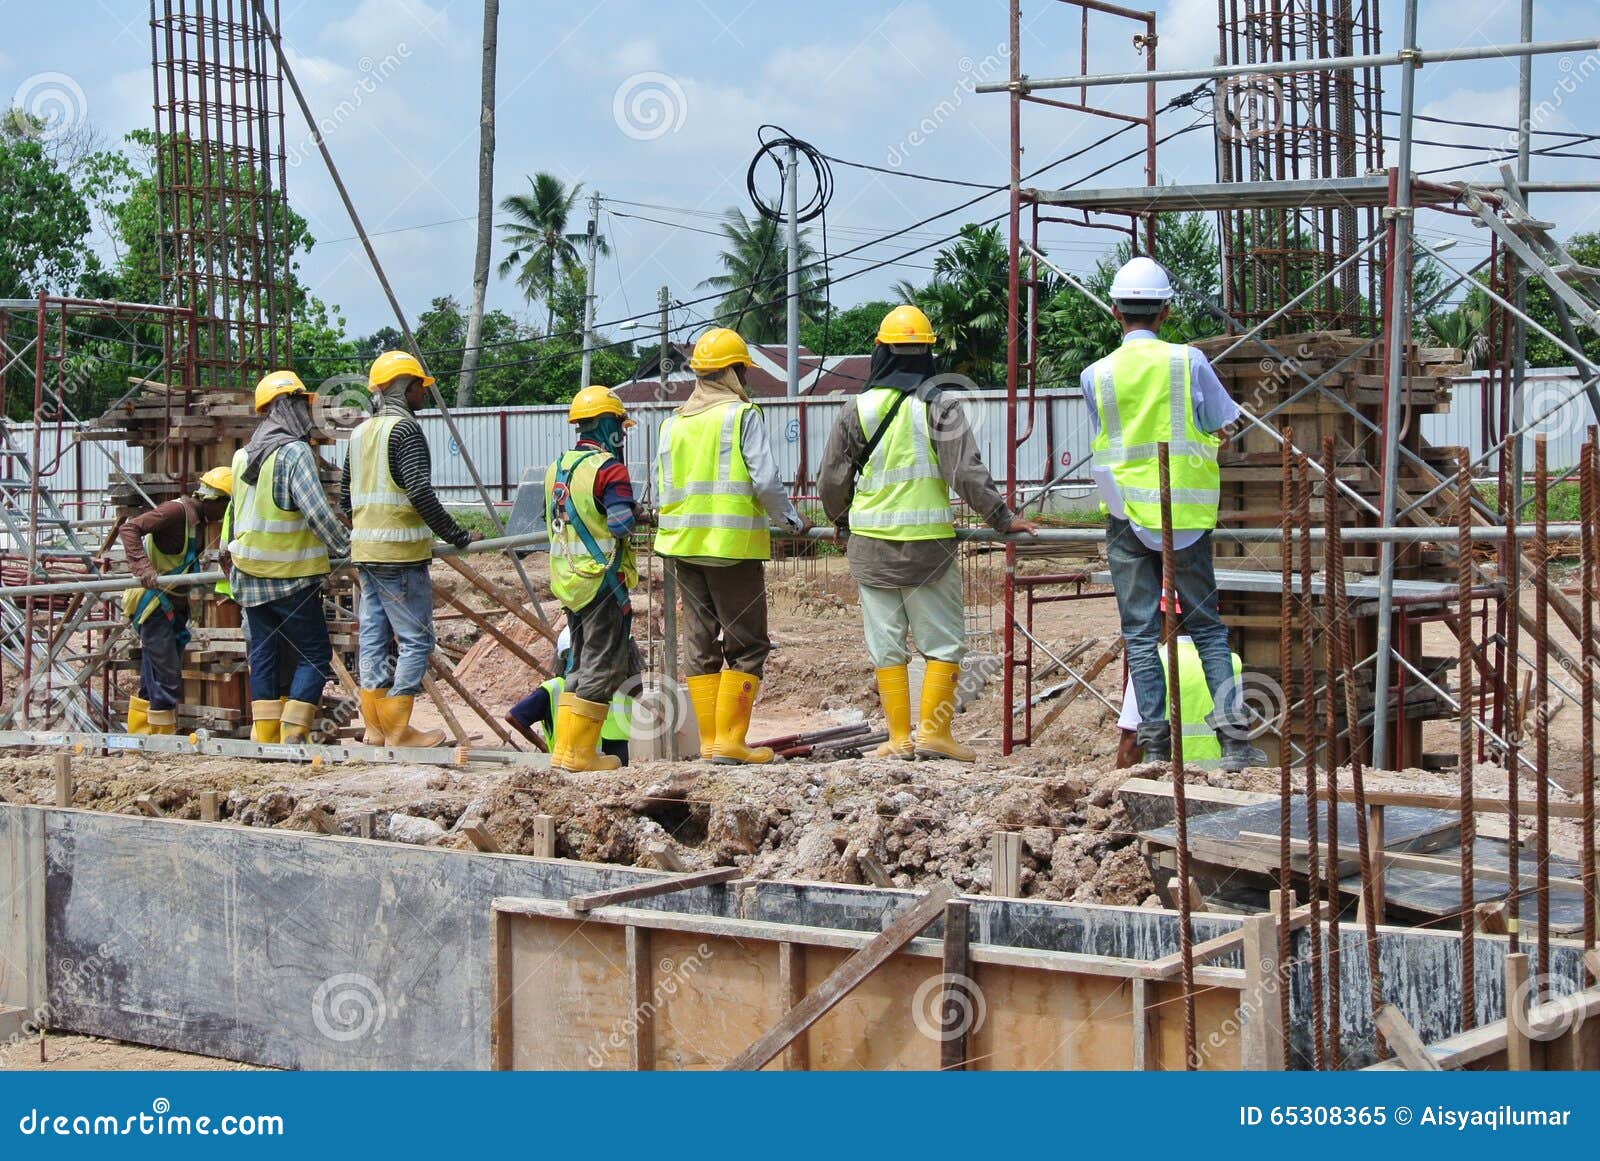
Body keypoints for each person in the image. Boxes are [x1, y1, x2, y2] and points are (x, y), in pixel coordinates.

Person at [819, 305, 1037, 762]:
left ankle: (898, 740)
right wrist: (1003, 519)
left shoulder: (855, 408)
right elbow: (967, 474)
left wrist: (841, 522)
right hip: (930, 551)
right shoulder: (941, 407)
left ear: (879, 351)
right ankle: (934, 734)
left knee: (886, 645)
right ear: (928, 355)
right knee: (942, 643)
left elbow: (832, 481)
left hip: (871, 548)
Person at [1084, 256, 1266, 772]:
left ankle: (1156, 746)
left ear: (1116, 312)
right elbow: (1225, 421)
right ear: (1166, 311)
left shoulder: (1095, 375)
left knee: (1141, 633)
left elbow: (1106, 437)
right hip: (1184, 514)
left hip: (1124, 513)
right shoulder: (1189, 362)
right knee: (1207, 628)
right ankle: (1234, 741)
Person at [654, 327, 809, 765]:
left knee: (700, 646)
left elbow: (663, 486)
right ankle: (730, 742)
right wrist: (792, 521)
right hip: (730, 547)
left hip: (683, 548)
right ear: (733, 372)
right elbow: (764, 480)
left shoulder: (673, 424)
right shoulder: (741, 416)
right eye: (742, 369)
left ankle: (710, 744)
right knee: (748, 644)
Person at [340, 349, 482, 748]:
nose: (423, 393)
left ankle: (376, 728)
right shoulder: (404, 431)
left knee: (373, 636)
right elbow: (419, 491)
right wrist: (458, 535)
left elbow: (344, 498)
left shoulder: (359, 433)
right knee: (417, 639)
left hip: (366, 554)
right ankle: (399, 729)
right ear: (405, 387)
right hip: (399, 555)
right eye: (420, 386)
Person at [227, 370, 351, 745]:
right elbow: (316, 513)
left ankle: (264, 736)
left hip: (248, 573)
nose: (306, 411)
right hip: (290, 576)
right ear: (286, 405)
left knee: (263, 655)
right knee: (314, 655)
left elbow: (235, 515)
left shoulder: (244, 455)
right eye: (301, 403)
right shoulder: (293, 452)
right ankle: (293, 735)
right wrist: (349, 547)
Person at [543, 384, 641, 772]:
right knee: (602, 666)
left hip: (570, 582)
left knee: (580, 664)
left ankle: (566, 751)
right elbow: (618, 523)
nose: (623, 435)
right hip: (602, 582)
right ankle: (581, 754)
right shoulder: (609, 469)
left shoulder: (556, 468)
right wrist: (633, 514)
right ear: (605, 425)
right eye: (619, 426)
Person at [120, 468, 234, 735]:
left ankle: (142, 737)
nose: (226, 515)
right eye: (227, 507)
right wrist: (143, 568)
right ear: (215, 501)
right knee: (167, 679)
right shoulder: (175, 512)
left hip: (171, 608)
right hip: (154, 606)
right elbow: (130, 528)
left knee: (153, 678)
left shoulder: (198, 521)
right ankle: (161, 740)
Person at [1114, 598, 1243, 767]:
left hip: (1166, 780)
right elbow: (1235, 730)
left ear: (1164, 618)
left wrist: (1120, 783)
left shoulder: (1149, 664)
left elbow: (1132, 738)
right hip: (1216, 781)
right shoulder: (1229, 663)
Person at [506, 628, 634, 765]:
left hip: (612, 770)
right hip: (570, 769)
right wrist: (545, 748)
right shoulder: (553, 688)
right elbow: (513, 717)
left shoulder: (617, 684)